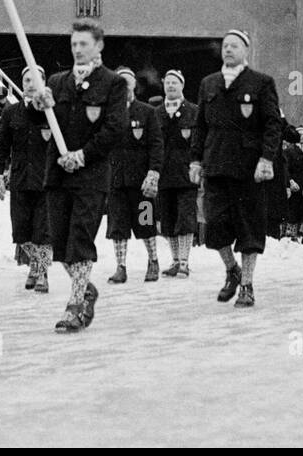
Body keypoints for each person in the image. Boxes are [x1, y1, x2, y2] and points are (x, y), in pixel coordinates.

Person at [33, 19, 129, 333]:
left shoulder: (113, 83)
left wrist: (83, 155)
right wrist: (40, 105)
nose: (77, 50)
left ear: (98, 45)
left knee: (80, 240)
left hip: (90, 177)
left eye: (83, 44)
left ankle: (74, 307)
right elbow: (49, 123)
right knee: (59, 244)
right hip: (58, 175)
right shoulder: (58, 83)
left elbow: (114, 127)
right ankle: (85, 287)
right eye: (73, 44)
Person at [189, 29, 281, 308]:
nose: (228, 50)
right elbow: (200, 126)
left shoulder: (261, 83)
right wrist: (195, 160)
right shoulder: (209, 83)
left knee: (248, 227)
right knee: (214, 226)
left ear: (246, 51)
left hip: (248, 168)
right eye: (225, 45)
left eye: (234, 46)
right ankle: (232, 269)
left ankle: (247, 284)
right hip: (215, 165)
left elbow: (272, 124)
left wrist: (266, 159)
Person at [0, 66, 54, 293]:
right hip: (20, 180)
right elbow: (1, 146)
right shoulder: (11, 112)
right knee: (21, 231)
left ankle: (42, 272)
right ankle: (36, 266)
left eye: (34, 80)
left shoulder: (51, 112)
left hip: (45, 181)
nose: (29, 84)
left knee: (43, 231)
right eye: (26, 79)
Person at [106, 67, 163, 283]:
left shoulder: (147, 112)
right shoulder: (107, 114)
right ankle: (121, 266)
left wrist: (154, 172)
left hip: (141, 183)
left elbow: (157, 145)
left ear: (134, 88)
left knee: (145, 223)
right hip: (116, 181)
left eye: (127, 85)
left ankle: (153, 261)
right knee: (118, 227)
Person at [155, 69, 200, 276]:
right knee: (168, 219)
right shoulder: (156, 113)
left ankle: (184, 261)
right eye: (168, 82)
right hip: (164, 175)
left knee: (185, 218)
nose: (171, 86)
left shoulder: (194, 111)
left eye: (175, 82)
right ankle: (174, 260)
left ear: (182, 85)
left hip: (186, 174)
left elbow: (200, 143)